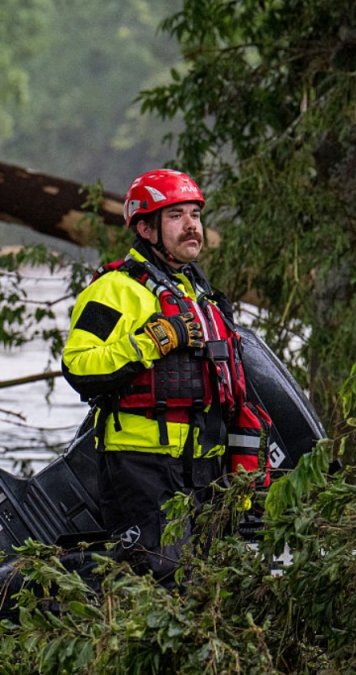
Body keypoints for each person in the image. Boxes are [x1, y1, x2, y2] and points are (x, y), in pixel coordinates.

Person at [62, 169, 270, 582]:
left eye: (195, 214)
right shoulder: (115, 290)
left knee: (207, 583)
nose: (192, 225)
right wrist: (153, 341)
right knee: (160, 581)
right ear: (146, 227)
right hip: (143, 467)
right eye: (176, 216)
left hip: (204, 466)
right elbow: (79, 365)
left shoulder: (200, 296)